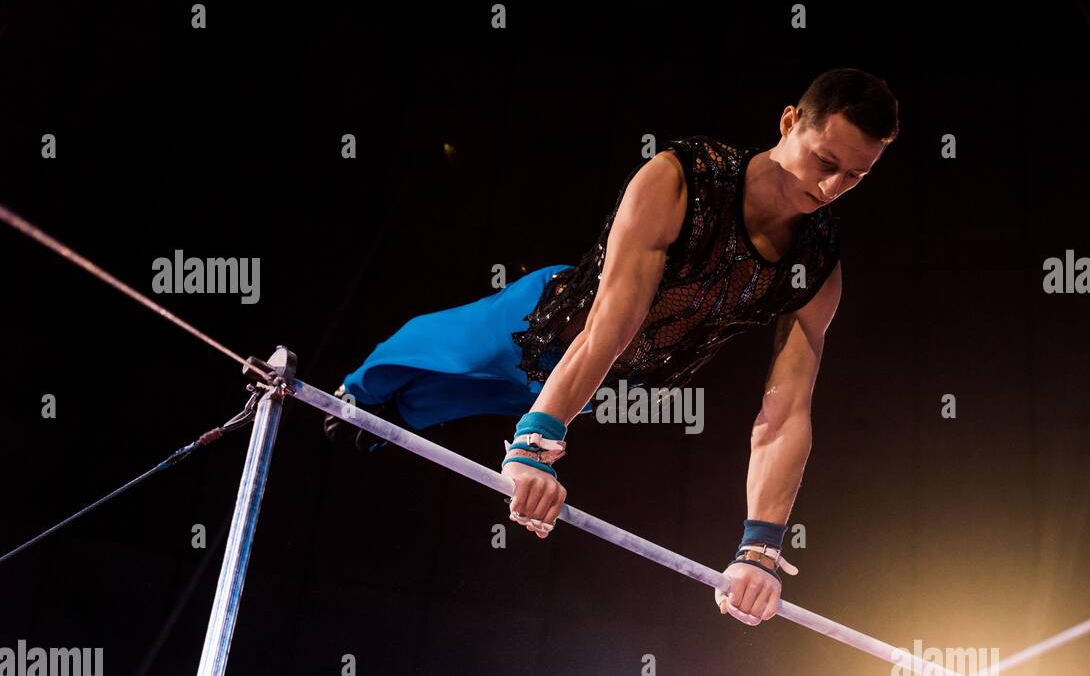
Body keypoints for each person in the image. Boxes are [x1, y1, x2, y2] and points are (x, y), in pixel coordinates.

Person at [324, 67, 899, 626]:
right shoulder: (683, 177)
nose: (830, 188)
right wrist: (536, 444)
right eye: (825, 161)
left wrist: (760, 547)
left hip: (606, 388)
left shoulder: (818, 267)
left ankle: (396, 412)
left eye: (853, 177)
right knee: (426, 364)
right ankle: (359, 388)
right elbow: (609, 326)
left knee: (432, 406)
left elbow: (785, 411)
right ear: (789, 121)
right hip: (547, 323)